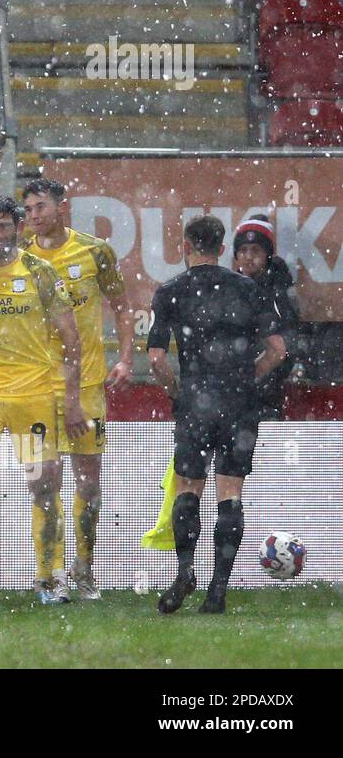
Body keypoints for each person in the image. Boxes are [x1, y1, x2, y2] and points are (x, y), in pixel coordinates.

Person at [149, 215, 286, 615]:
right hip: (239, 404)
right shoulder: (247, 288)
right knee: (231, 492)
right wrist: (245, 377)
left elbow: (156, 358)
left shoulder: (171, 291)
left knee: (189, 486)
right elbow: (278, 350)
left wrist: (178, 390)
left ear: (185, 246)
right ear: (224, 249)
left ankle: (185, 568)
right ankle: (218, 589)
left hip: (196, 401)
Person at [0, 197, 85, 606]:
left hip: (32, 394)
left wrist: (73, 400)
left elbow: (72, 341)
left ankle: (50, 577)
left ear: (19, 228)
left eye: (4, 227)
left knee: (43, 484)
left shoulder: (41, 273)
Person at [20, 178, 134, 600]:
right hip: (35, 385)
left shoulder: (94, 251)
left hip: (85, 385)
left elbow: (122, 308)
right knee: (42, 481)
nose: (33, 215)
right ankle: (46, 573)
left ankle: (83, 569)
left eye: (40, 206)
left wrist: (124, 358)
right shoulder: (20, 258)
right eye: (28, 208)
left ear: (61, 207)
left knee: (87, 483)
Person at [232, 214, 301, 420]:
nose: (248, 256)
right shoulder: (233, 286)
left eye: (255, 250)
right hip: (238, 381)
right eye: (243, 250)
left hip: (266, 382)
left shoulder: (278, 289)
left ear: (267, 255)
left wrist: (258, 372)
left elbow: (286, 338)